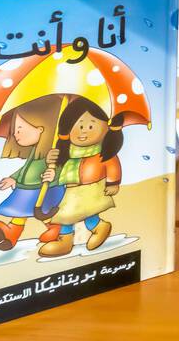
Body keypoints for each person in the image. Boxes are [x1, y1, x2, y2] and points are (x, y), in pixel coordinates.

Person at [39, 97, 124, 258]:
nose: (83, 130)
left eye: (91, 125)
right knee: (66, 214)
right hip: (71, 189)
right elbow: (60, 170)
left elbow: (112, 165)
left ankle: (97, 227)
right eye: (77, 126)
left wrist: (113, 182)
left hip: (91, 187)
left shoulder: (101, 152)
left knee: (79, 212)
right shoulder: (67, 151)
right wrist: (51, 162)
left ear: (107, 127)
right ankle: (66, 240)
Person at [0, 97, 65, 251]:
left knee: (43, 210)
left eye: (19, 128)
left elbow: (62, 167)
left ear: (40, 127)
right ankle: (10, 234)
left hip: (44, 189)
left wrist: (54, 173)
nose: (15, 134)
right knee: (19, 212)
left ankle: (55, 227)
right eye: (14, 130)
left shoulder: (52, 152)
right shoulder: (35, 152)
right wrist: (13, 178)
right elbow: (25, 169)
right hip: (25, 188)